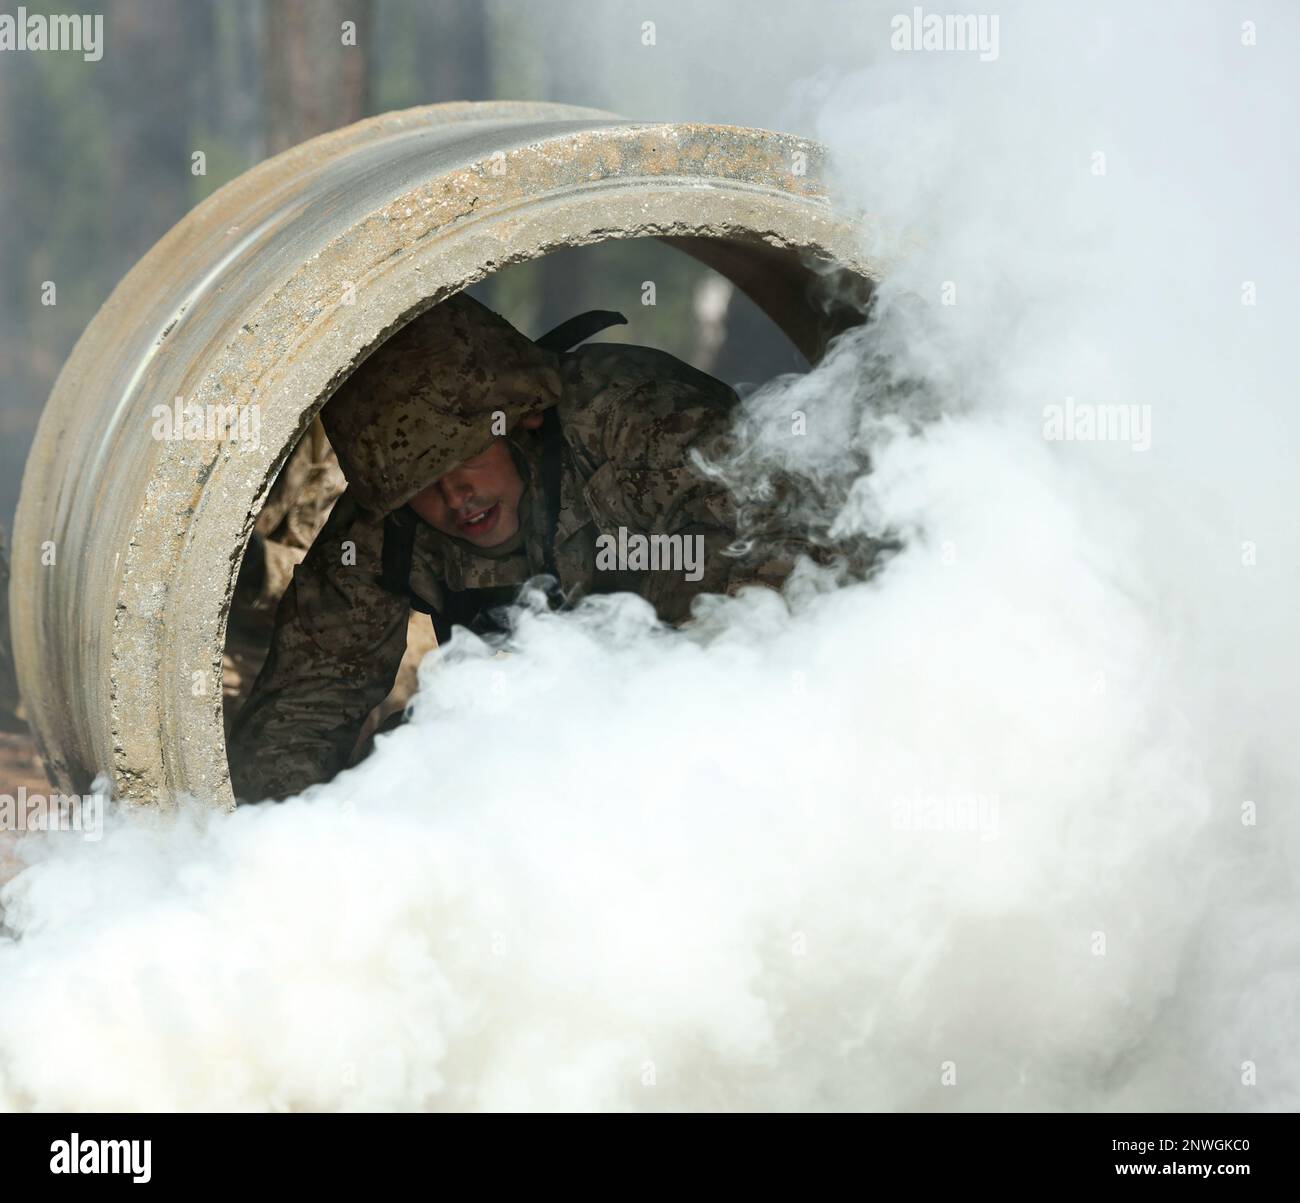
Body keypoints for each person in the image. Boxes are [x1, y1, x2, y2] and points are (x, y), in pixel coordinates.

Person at [228, 292, 815, 801]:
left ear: (525, 418)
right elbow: (305, 705)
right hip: (531, 757)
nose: (456, 496)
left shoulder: (632, 422)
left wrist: (640, 722)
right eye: (422, 485)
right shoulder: (386, 522)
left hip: (721, 725)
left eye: (465, 458)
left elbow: (777, 561)